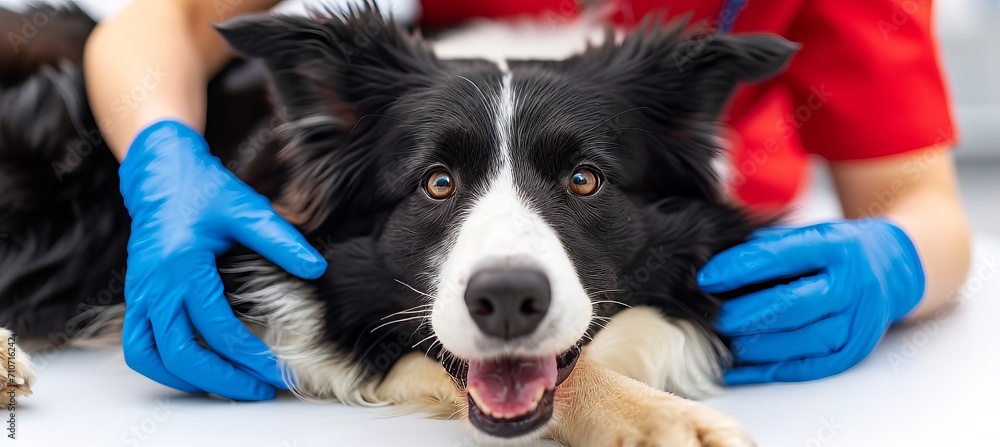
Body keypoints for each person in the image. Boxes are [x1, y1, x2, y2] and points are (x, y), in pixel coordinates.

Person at [84, 0, 970, 400]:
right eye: (435, 185)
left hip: (709, 196)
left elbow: (919, 200)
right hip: (449, 100)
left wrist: (892, 262)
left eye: (580, 178)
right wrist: (162, 155)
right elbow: (158, 23)